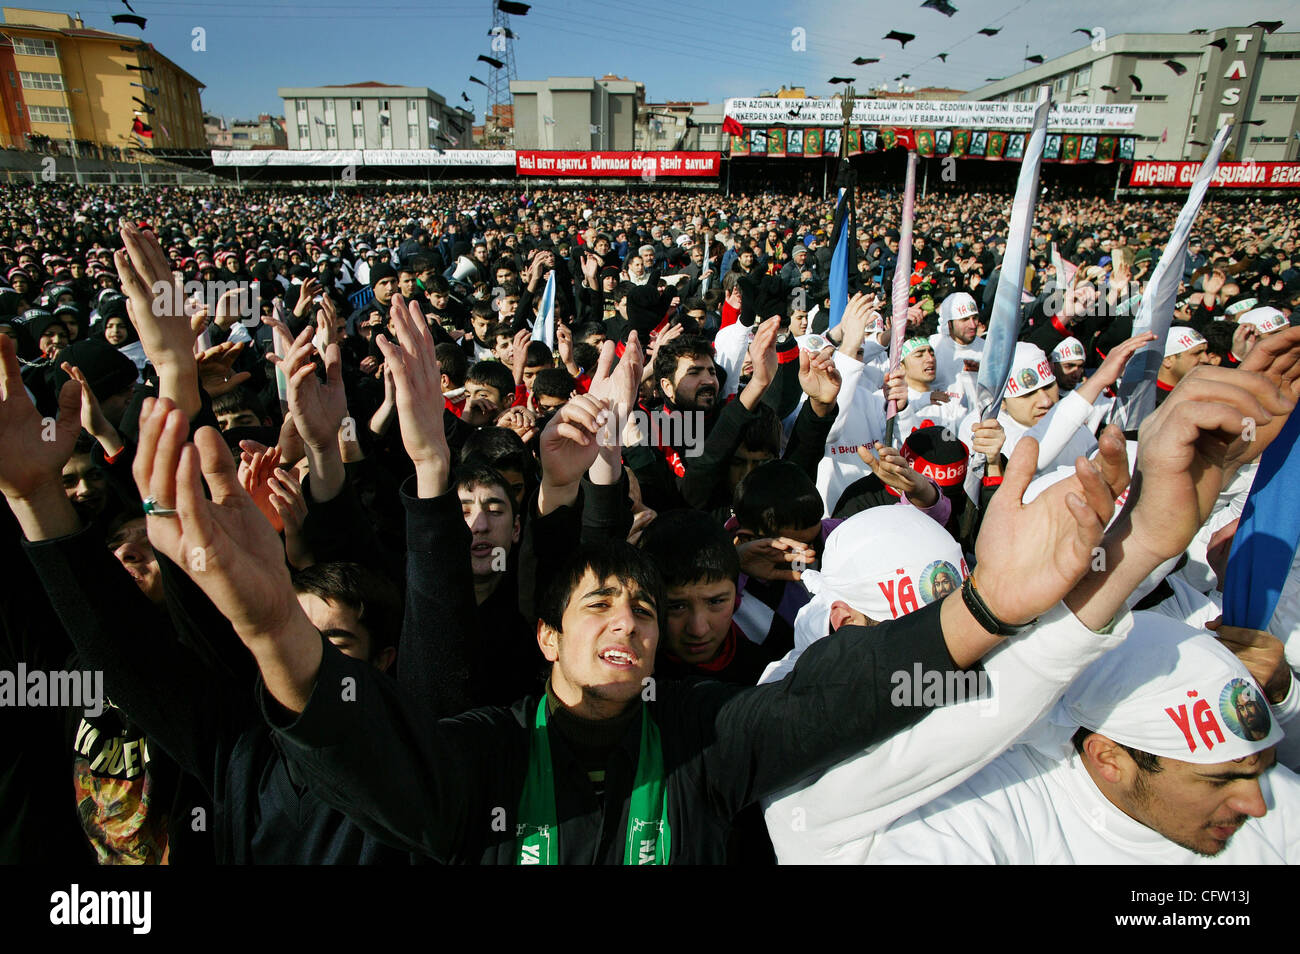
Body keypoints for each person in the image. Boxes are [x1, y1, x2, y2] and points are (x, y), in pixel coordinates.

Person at [120, 280, 1130, 864]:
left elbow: (841, 700)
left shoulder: (700, 739)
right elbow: (373, 743)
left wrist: (989, 609)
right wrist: (270, 627)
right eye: (601, 602)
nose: (634, 618)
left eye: (643, 608)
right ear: (546, 639)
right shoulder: (486, 759)